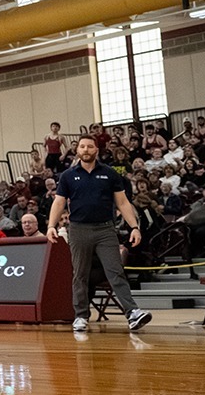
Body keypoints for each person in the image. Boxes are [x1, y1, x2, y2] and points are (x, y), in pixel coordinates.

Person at [48, 135, 150, 333]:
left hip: (105, 229)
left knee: (115, 271)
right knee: (80, 274)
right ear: (77, 150)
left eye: (90, 147)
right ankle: (81, 316)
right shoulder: (68, 176)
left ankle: (132, 313)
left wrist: (134, 227)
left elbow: (122, 202)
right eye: (82, 147)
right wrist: (52, 225)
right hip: (78, 230)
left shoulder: (110, 173)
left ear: (96, 150)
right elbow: (59, 202)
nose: (86, 150)